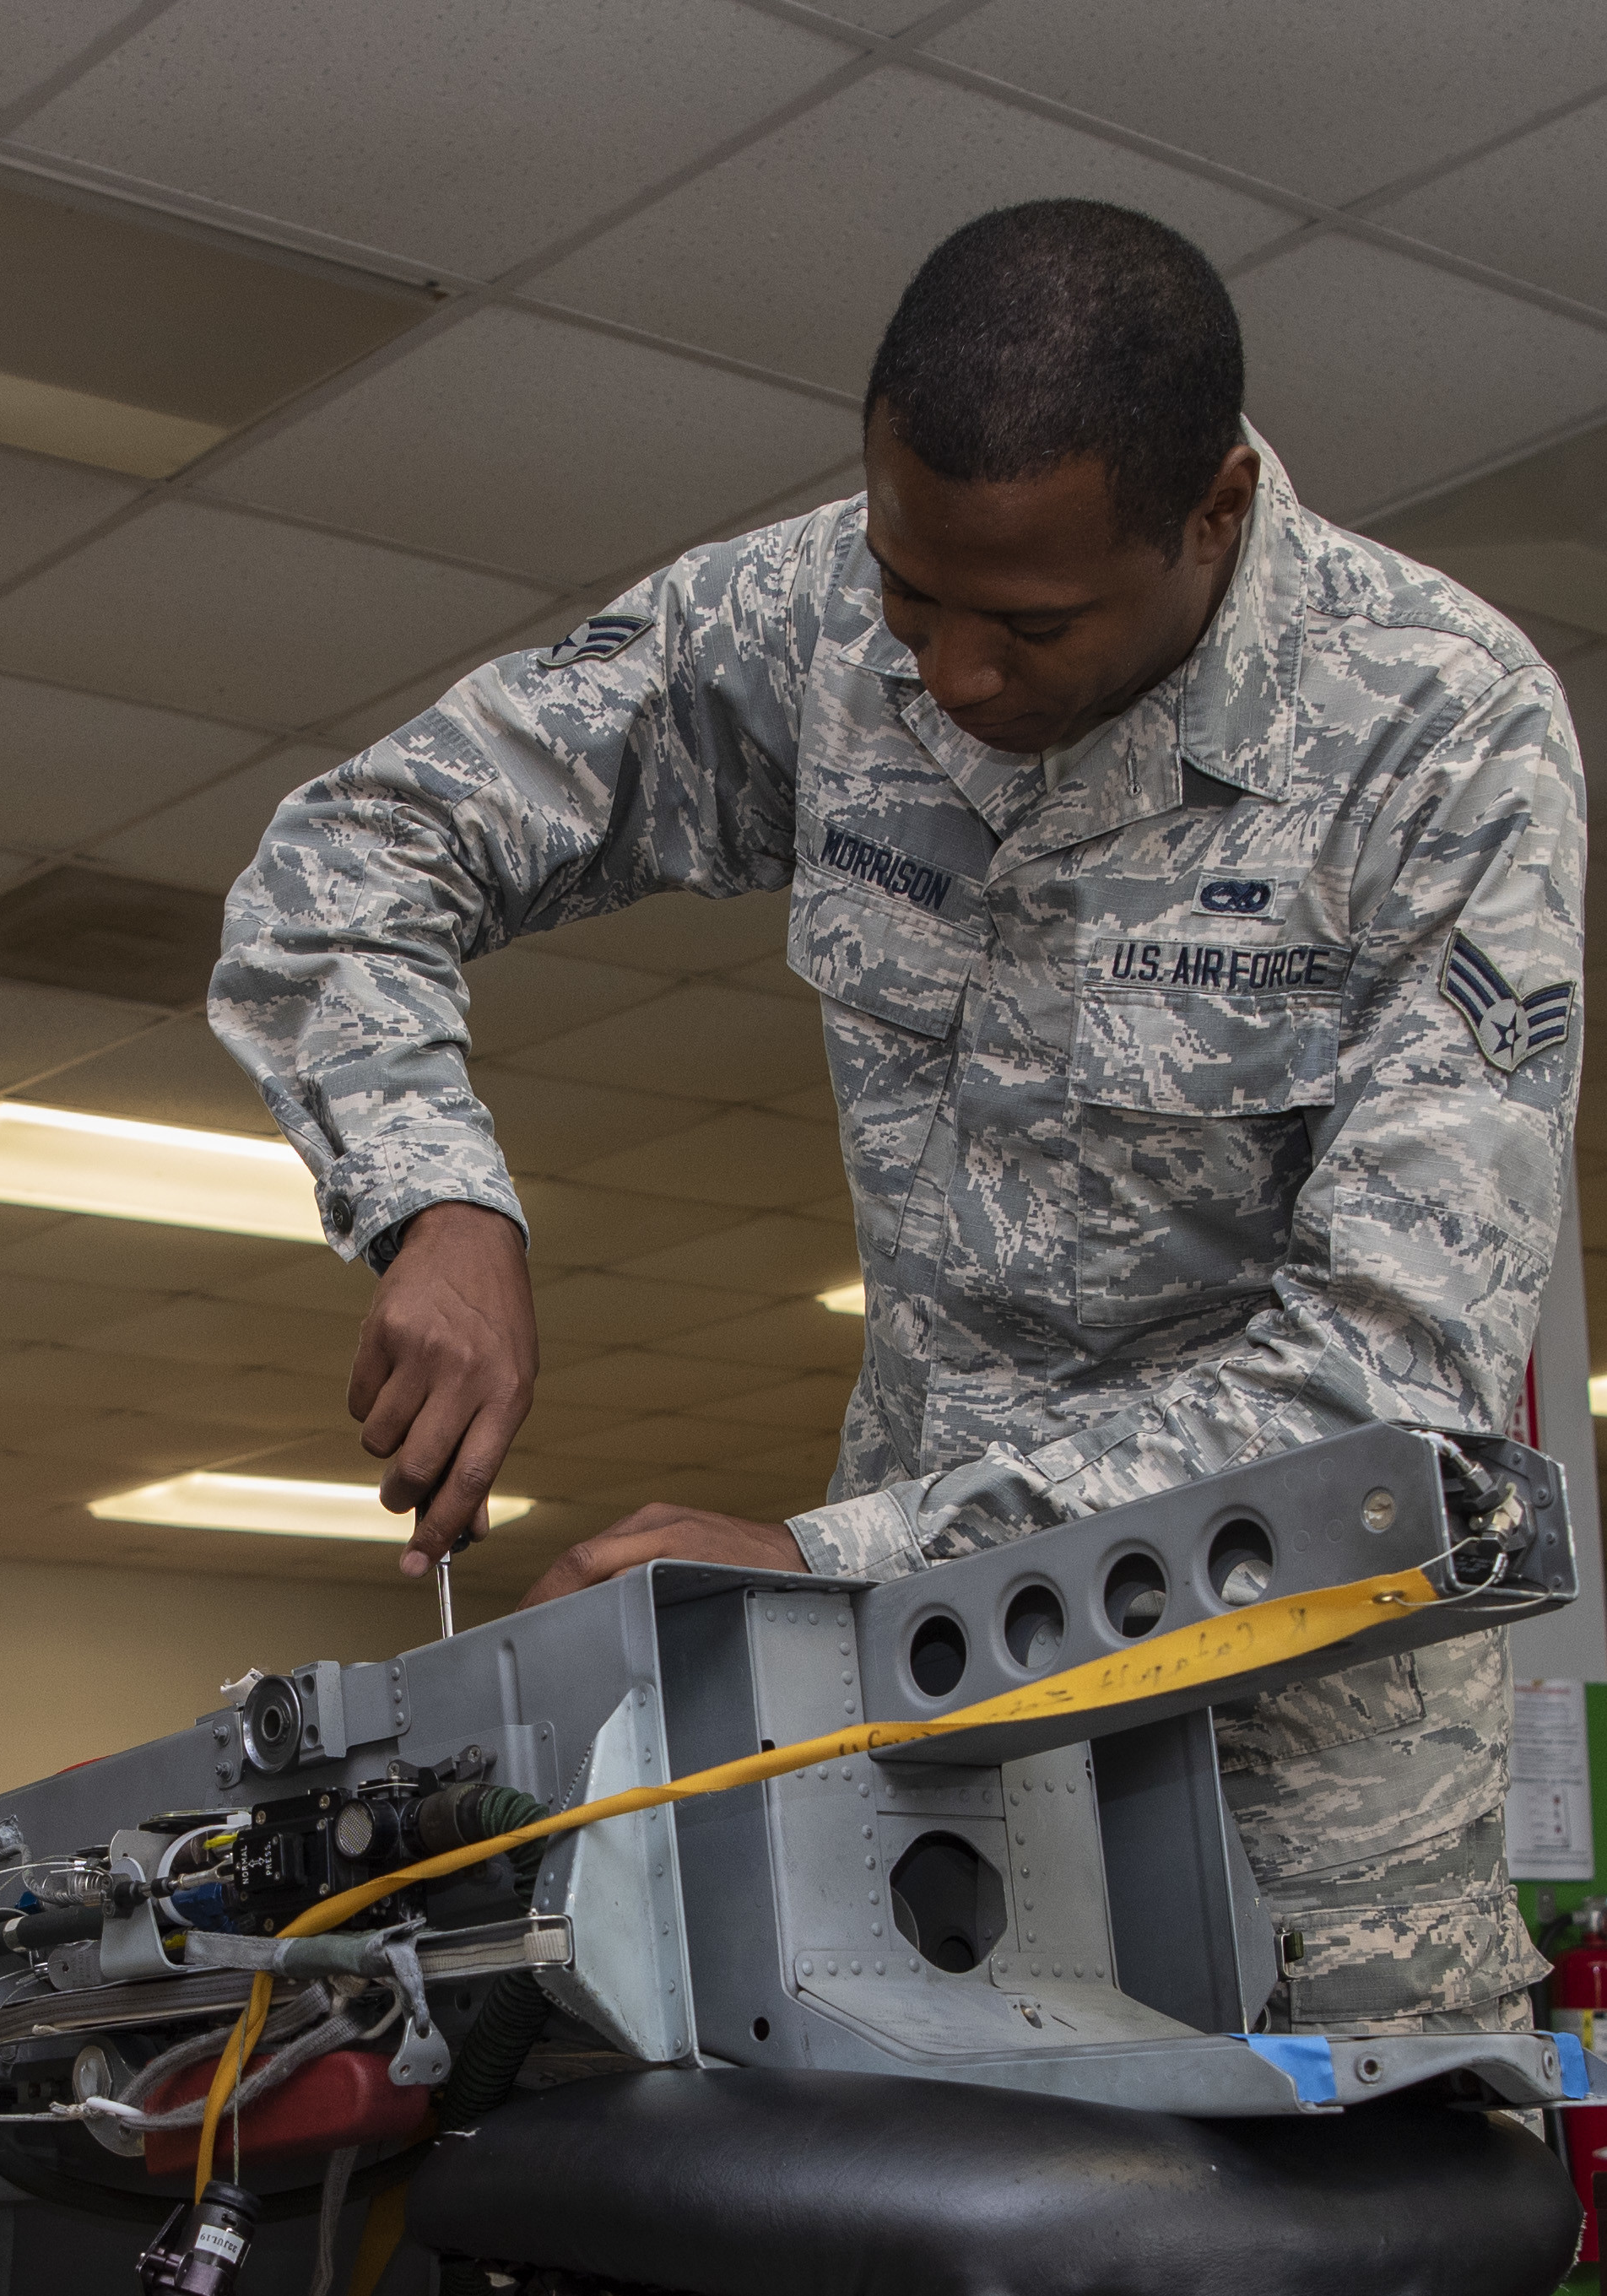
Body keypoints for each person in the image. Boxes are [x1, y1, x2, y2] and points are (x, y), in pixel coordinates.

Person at [213, 200, 1583, 2036]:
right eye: (907, 590)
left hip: (1294, 1772)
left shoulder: (1440, 733)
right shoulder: (806, 629)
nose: (944, 675)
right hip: (924, 1747)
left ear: (1214, 518)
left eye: (1026, 622)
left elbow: (1382, 1381)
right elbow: (349, 852)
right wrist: (434, 1199)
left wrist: (835, 1558)